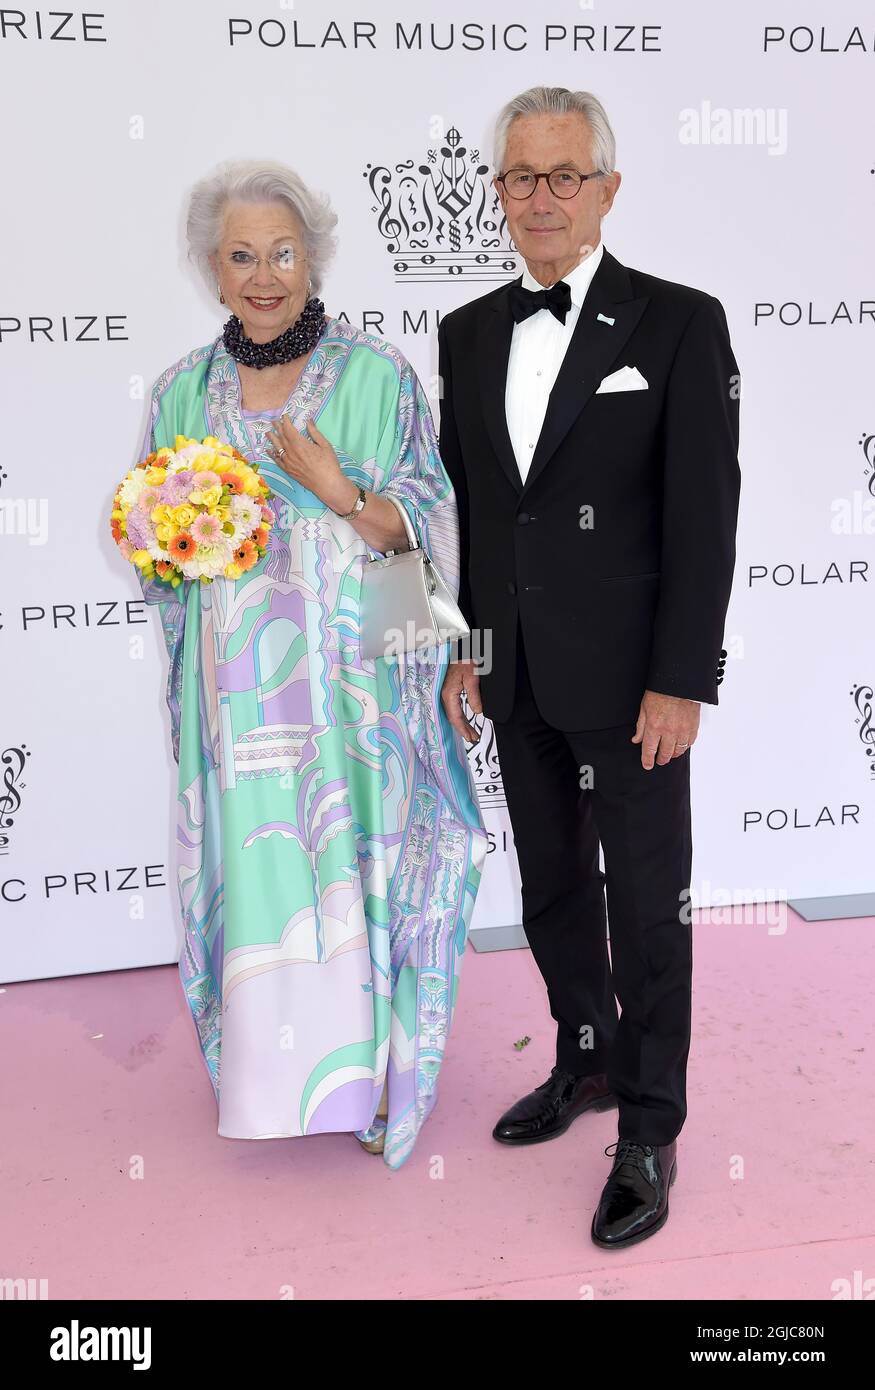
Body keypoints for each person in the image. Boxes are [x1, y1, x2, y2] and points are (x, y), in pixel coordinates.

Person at [133, 158, 486, 1167]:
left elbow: (422, 531)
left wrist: (336, 492)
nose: (263, 274)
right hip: (239, 701)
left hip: (353, 698)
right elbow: (166, 565)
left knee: (359, 860)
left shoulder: (375, 378)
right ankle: (268, 1082)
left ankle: (375, 1080)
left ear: (314, 257)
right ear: (212, 267)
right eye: (241, 254)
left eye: (281, 252)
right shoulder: (179, 394)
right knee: (261, 873)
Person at [439, 88, 740, 1245]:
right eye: (521, 176)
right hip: (514, 679)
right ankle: (581, 1059)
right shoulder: (466, 332)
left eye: (566, 175)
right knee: (553, 893)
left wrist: (682, 679)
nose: (542, 198)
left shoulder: (676, 322)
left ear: (607, 190)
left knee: (648, 910)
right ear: (499, 192)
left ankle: (650, 1128)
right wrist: (467, 654)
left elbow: (703, 518)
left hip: (633, 689)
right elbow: (470, 515)